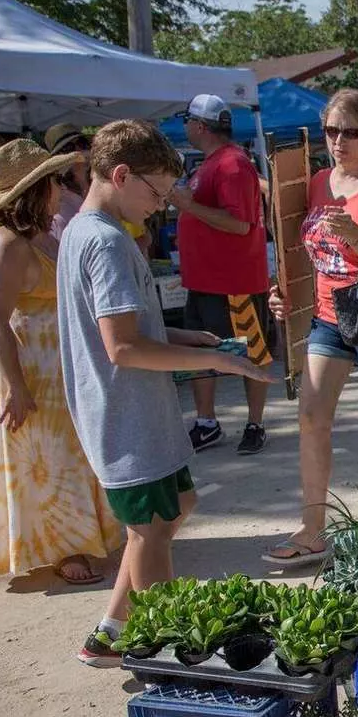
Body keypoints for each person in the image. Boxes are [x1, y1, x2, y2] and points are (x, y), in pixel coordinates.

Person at [56, 120, 270, 666]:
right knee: (150, 530)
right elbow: (122, 348)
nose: (161, 205)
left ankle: (110, 631)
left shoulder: (90, 232)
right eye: (155, 192)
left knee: (175, 507)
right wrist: (216, 359)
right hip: (124, 416)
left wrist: (184, 335)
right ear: (121, 174)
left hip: (136, 412)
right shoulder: (104, 241)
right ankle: (165, 651)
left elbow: (132, 329)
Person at [260, 89, 358, 567]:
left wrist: (353, 233)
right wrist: (283, 291)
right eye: (331, 131)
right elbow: (302, 253)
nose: (339, 141)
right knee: (311, 416)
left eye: (350, 132)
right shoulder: (315, 184)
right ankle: (313, 528)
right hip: (328, 316)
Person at [0, 139, 121, 587]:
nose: (60, 190)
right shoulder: (6, 242)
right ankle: (63, 547)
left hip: (51, 361)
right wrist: (16, 386)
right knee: (47, 455)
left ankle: (75, 537)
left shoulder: (33, 233)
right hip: (27, 365)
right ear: (34, 190)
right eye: (53, 182)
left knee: (68, 450)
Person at [167, 94, 275, 456]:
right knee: (199, 352)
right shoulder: (213, 164)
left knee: (252, 355)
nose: (184, 127)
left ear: (199, 125)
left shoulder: (232, 164)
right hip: (205, 282)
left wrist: (187, 205)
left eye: (186, 120)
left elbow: (240, 223)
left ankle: (255, 423)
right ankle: (207, 423)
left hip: (235, 283)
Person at [44, 124, 91, 241]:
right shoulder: (58, 200)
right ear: (58, 159)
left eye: (82, 143)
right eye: (69, 148)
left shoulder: (102, 185)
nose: (79, 151)